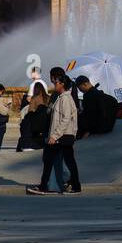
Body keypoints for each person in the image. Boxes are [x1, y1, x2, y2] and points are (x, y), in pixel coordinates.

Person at [26, 67, 81, 195]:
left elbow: (66, 118)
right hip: (63, 135)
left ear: (62, 84)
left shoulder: (65, 98)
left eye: (55, 82)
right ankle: (70, 185)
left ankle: (46, 186)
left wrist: (54, 136)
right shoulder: (62, 97)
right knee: (63, 161)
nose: (53, 84)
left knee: (52, 160)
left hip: (62, 136)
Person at [17, 84, 51, 152]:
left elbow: (30, 111)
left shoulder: (35, 98)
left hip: (36, 121)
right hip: (47, 120)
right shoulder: (48, 97)